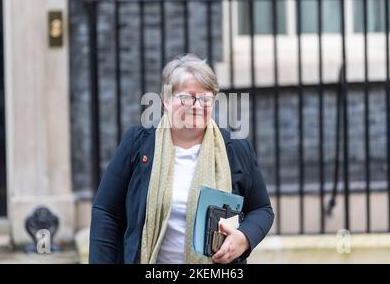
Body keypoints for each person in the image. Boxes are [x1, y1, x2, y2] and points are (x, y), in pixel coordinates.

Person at [89, 53, 274, 264]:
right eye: (186, 97)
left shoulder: (235, 149)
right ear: (166, 100)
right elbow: (106, 213)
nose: (196, 106)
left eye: (205, 99)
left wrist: (244, 238)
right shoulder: (138, 144)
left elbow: (262, 210)